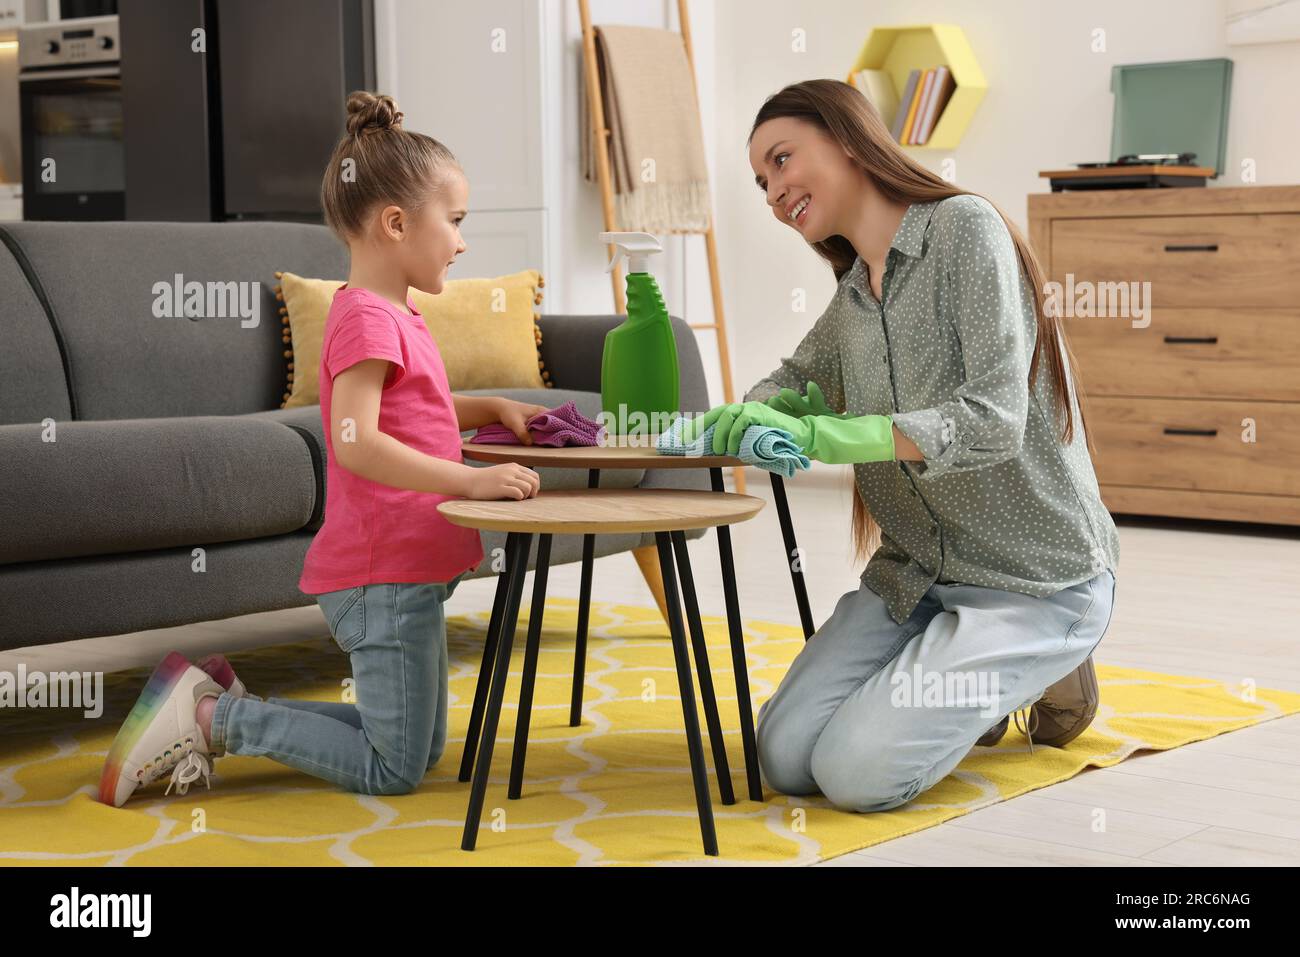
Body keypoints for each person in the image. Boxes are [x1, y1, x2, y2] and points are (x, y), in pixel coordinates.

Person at [687, 79, 1120, 813]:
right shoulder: (857, 289)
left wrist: (827, 433)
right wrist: (732, 421)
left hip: (1036, 581)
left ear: (850, 140)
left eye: (783, 160)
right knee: (787, 755)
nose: (772, 192)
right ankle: (964, 676)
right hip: (918, 577)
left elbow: (992, 418)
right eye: (761, 182)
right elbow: (792, 377)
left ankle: (1051, 662)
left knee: (856, 774)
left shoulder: (963, 229)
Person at [100, 91, 543, 807]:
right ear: (396, 223)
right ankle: (214, 719)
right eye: (455, 222)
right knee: (391, 768)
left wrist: (489, 407)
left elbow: (414, 409)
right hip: (382, 575)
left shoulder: (394, 313)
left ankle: (222, 701)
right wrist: (469, 480)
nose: (462, 242)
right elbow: (358, 441)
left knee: (418, 749)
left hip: (410, 568)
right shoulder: (368, 320)